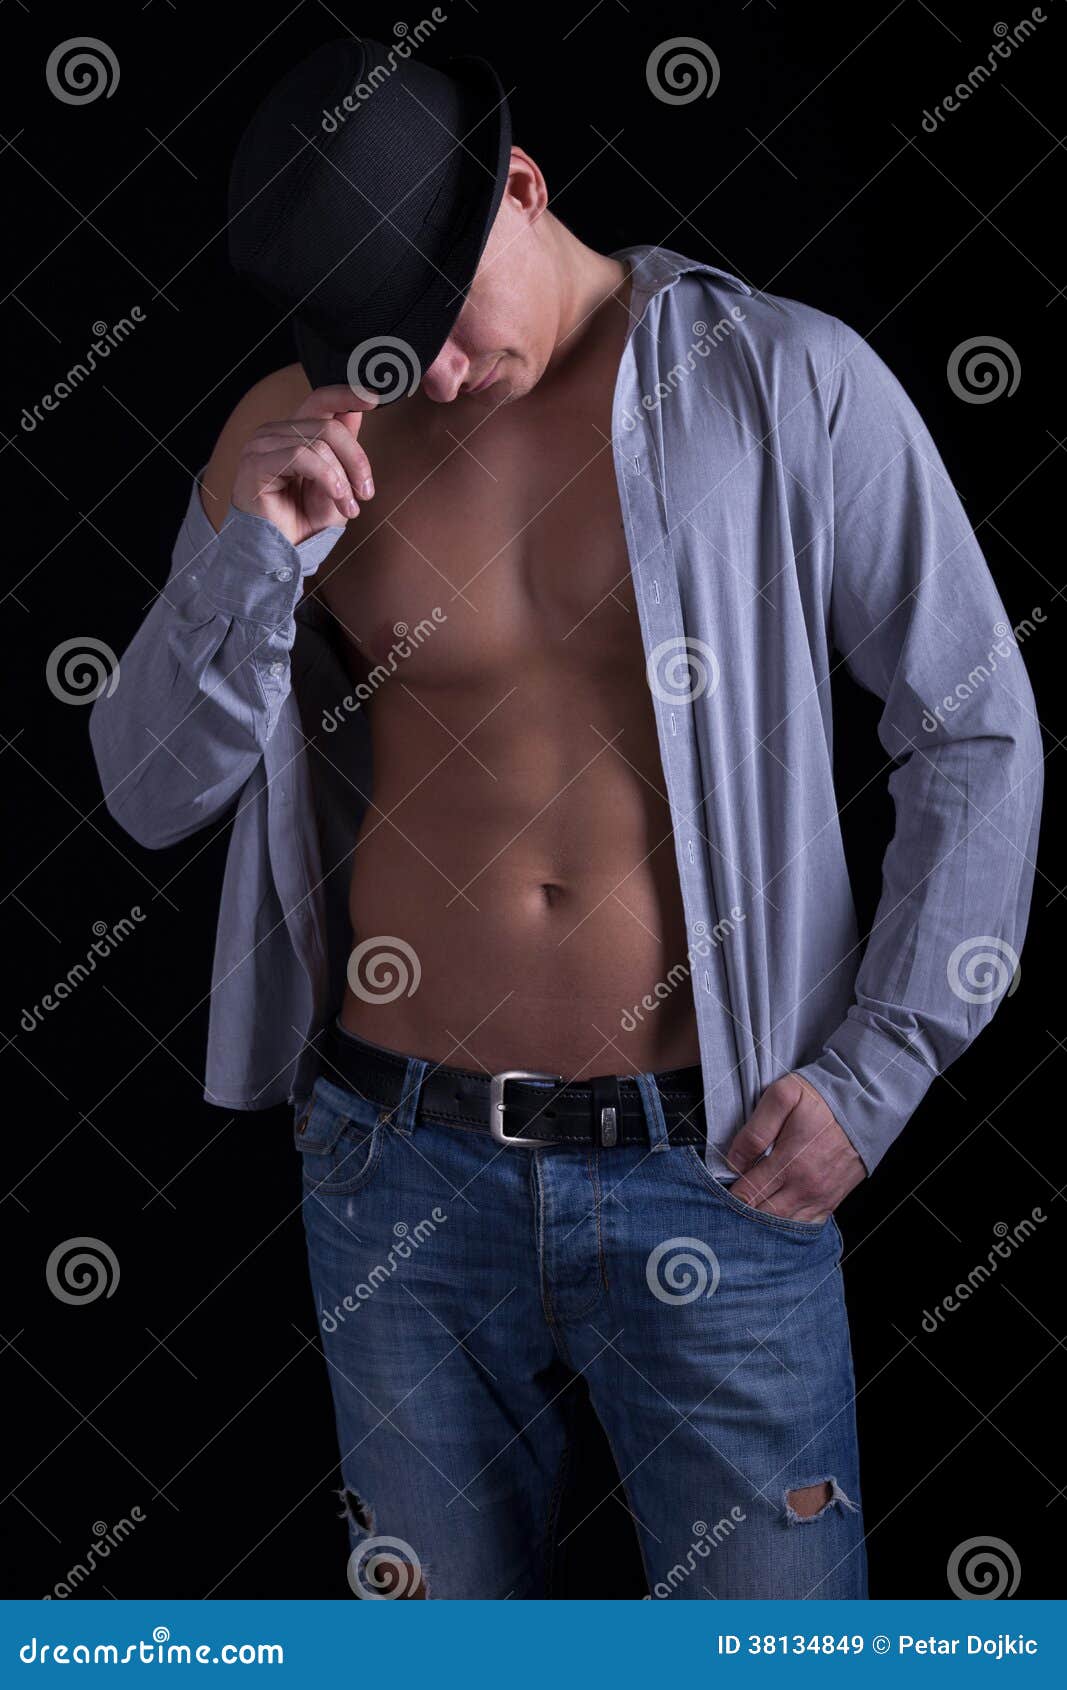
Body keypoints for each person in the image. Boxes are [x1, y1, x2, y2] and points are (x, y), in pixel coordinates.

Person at [89, 37, 1042, 1599]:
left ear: (522, 190)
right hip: (392, 1166)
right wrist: (242, 561)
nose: (432, 380)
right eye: (390, 348)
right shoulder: (304, 430)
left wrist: (880, 1070)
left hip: (716, 1166)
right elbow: (150, 787)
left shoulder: (785, 379)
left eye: (441, 330)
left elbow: (978, 725)